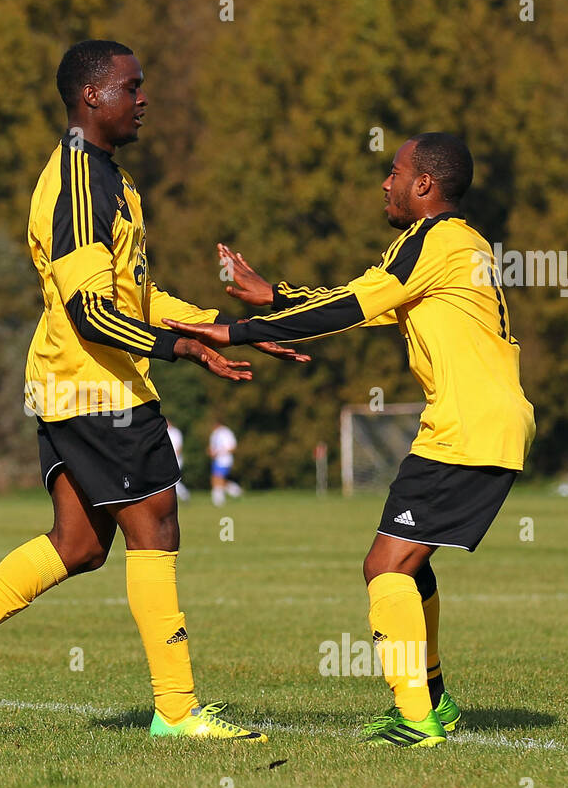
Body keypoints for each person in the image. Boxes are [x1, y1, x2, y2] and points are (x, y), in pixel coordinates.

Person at [0, 40, 306, 741]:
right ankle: (177, 710)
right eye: (131, 87)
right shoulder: (81, 183)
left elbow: (131, 297)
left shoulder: (106, 179)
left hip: (76, 384)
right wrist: (182, 348)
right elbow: (92, 311)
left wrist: (221, 328)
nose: (144, 98)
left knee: (80, 544)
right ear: (92, 97)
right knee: (157, 525)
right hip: (96, 385)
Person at [165, 133, 535, 748]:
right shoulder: (457, 244)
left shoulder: (433, 242)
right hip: (482, 422)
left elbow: (349, 308)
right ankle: (434, 702)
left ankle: (416, 718)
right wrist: (277, 295)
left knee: (383, 566)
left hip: (467, 427)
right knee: (410, 565)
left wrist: (235, 329)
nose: (384, 184)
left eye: (394, 172)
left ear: (424, 185)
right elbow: (365, 298)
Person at [208, 421, 242, 506]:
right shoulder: (214, 433)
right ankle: (233, 491)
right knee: (216, 479)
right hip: (217, 460)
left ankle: (220, 500)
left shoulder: (226, 432)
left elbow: (232, 447)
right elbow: (212, 447)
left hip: (225, 459)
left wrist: (220, 452)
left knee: (218, 478)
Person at [165, 421, 190, 502]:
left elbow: (179, 447)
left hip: (176, 459)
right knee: (171, 480)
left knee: (173, 480)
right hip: (167, 459)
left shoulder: (176, 432)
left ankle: (184, 495)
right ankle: (184, 495)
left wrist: (173, 458)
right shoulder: (165, 431)